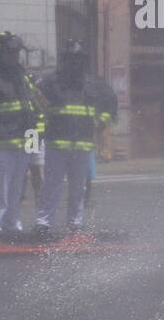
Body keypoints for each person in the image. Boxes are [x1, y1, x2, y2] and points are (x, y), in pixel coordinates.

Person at [33, 40, 117, 241]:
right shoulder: (50, 81)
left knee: (78, 187)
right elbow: (33, 100)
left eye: (77, 60)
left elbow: (111, 103)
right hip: (57, 143)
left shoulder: (93, 84)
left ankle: (75, 225)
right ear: (64, 60)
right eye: (70, 60)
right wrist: (40, 127)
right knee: (51, 185)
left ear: (82, 61)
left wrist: (101, 121)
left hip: (82, 144)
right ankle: (43, 224)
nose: (73, 64)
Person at [0, 32, 44, 240]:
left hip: (26, 136)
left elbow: (33, 104)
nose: (14, 56)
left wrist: (36, 138)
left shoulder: (21, 74)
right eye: (10, 52)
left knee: (18, 183)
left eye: (16, 52)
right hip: (0, 138)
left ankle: (12, 223)